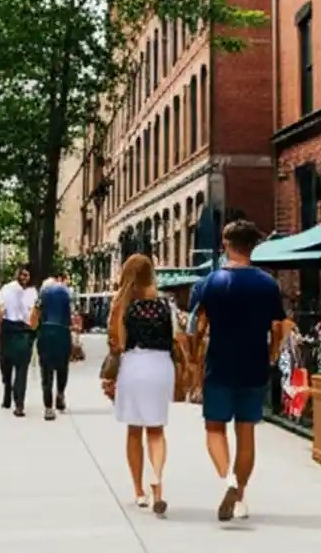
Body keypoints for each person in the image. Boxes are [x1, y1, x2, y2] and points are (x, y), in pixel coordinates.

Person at [189, 220, 287, 522]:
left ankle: (227, 480)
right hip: (254, 363)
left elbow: (198, 326)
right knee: (246, 433)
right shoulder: (269, 284)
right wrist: (271, 355)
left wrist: (193, 359)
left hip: (219, 362)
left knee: (214, 429)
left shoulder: (209, 283)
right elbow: (277, 327)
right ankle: (240, 493)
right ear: (252, 246)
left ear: (225, 244)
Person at [109, 253, 177, 515]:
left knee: (134, 431)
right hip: (161, 366)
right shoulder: (164, 305)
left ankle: (138, 491)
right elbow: (173, 339)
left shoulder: (123, 306)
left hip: (134, 365)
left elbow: (117, 343)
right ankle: (157, 484)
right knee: (157, 430)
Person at [0, 265, 38, 416]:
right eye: (22, 274)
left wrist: (33, 332)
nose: (24, 278)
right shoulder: (6, 290)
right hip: (8, 330)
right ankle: (7, 390)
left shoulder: (32, 293)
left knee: (21, 370)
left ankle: (19, 404)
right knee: (5, 365)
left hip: (24, 331)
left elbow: (35, 313)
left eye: (27, 275)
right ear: (16, 274)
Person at [32, 273, 74, 419]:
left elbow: (35, 316)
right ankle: (60, 393)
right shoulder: (65, 293)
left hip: (46, 334)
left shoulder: (41, 295)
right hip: (62, 333)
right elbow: (70, 318)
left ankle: (48, 407)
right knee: (63, 368)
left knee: (46, 372)